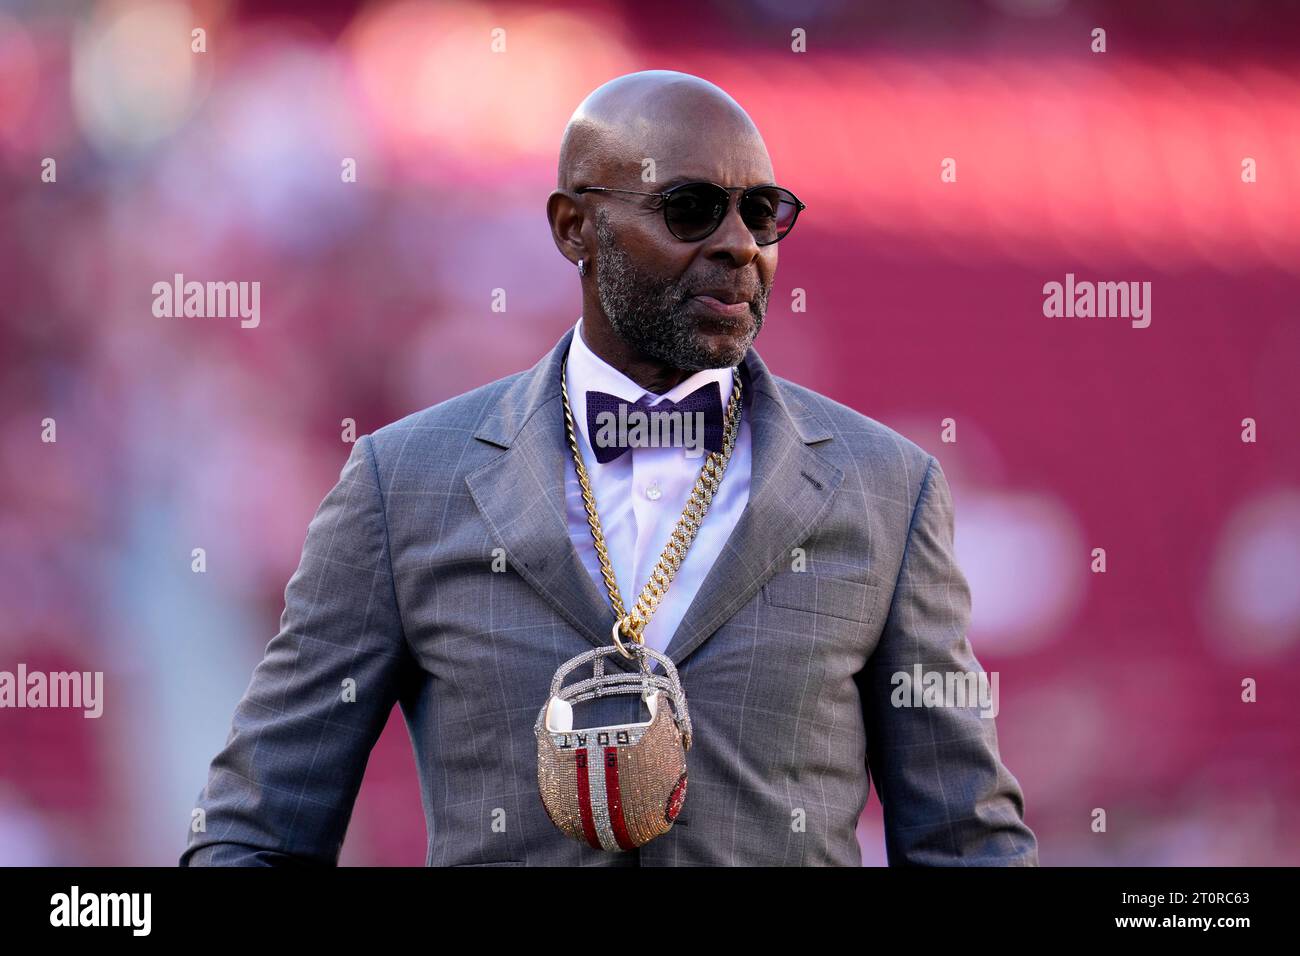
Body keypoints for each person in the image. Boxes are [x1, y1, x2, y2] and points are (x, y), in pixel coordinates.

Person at [181, 69, 1038, 866]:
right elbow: (259, 831)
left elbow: (966, 843)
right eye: (692, 208)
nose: (742, 245)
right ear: (573, 228)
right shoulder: (400, 484)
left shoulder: (889, 490)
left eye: (764, 212)